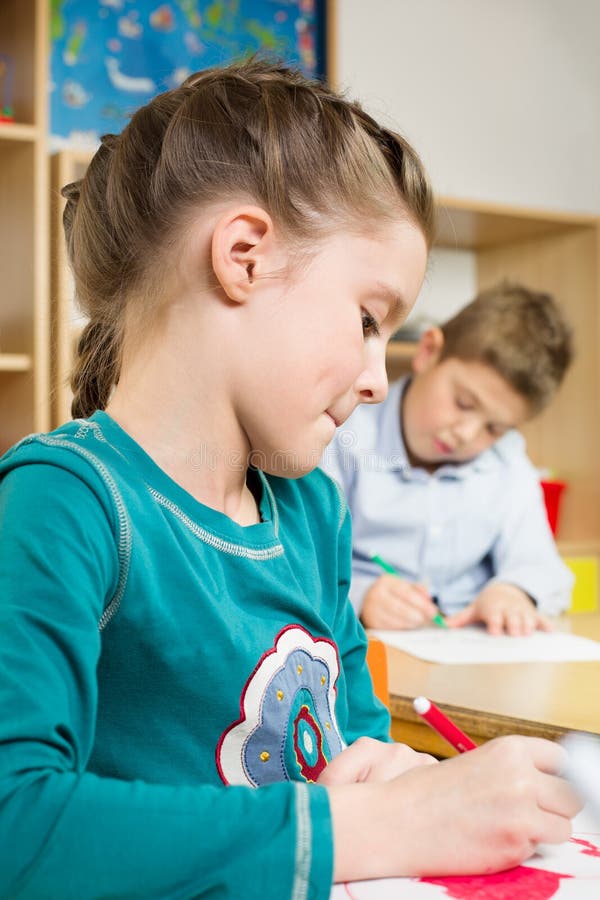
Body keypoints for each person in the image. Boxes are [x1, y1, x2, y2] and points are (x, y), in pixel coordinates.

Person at [0, 60, 580, 899]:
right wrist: (375, 825)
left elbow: (361, 746)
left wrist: (407, 781)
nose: (379, 381)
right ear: (244, 257)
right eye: (369, 319)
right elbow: (16, 826)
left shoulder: (313, 511)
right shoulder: (63, 502)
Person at [322, 283, 574, 634]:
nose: (467, 434)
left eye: (495, 428)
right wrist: (362, 598)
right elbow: (299, 563)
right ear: (428, 352)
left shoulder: (507, 460)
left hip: (468, 647)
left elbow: (542, 566)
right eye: (464, 403)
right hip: (364, 643)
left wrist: (514, 591)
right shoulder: (343, 438)